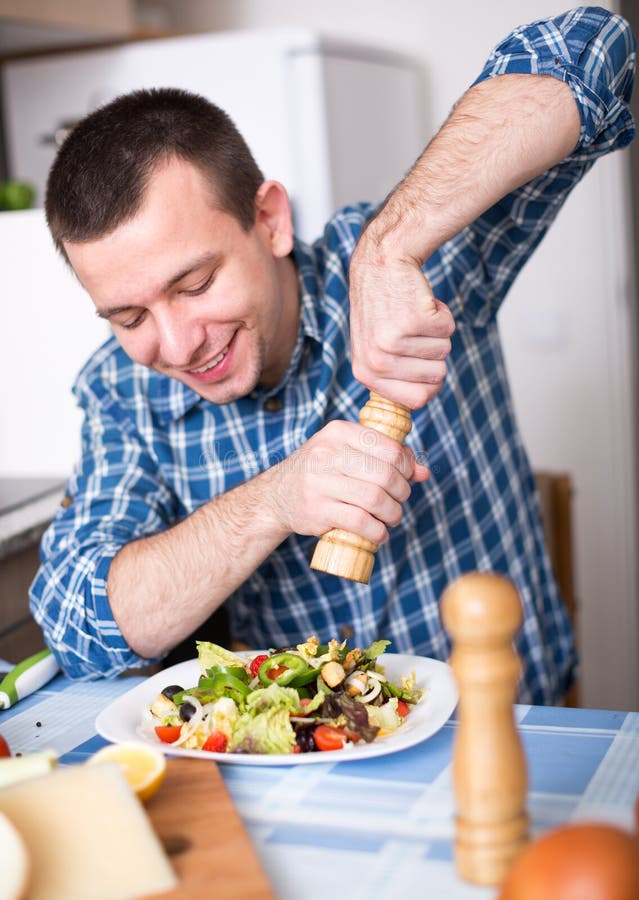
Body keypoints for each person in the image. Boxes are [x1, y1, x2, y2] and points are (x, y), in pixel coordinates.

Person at [30, 6, 635, 704]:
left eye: (193, 284)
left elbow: (594, 45)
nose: (176, 345)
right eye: (128, 315)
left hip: (511, 719)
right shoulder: (120, 390)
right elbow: (77, 626)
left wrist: (389, 248)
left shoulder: (410, 265)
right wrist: (274, 502)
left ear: (270, 220)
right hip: (310, 756)